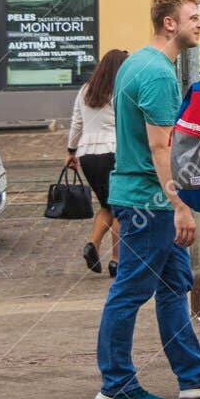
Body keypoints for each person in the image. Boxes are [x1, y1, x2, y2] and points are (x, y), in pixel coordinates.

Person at [94, 0, 200, 399]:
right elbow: (162, 147)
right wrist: (180, 205)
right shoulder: (158, 74)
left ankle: (193, 376)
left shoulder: (136, 63)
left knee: (174, 286)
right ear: (169, 24)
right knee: (130, 291)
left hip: (139, 196)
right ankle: (116, 383)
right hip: (150, 203)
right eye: (193, 17)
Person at [69, 48, 128, 277]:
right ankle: (117, 260)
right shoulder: (121, 91)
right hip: (113, 151)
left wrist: (70, 151)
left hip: (87, 155)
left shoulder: (85, 90)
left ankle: (92, 244)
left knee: (106, 204)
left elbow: (76, 123)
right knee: (120, 207)